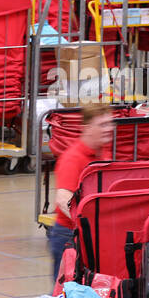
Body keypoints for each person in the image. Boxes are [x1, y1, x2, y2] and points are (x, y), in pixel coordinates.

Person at [48, 100, 114, 283]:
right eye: (102, 125)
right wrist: (86, 223)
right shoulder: (73, 158)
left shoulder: (104, 153)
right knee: (64, 291)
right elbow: (63, 199)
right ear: (87, 127)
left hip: (90, 234)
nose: (109, 129)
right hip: (69, 235)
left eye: (110, 123)